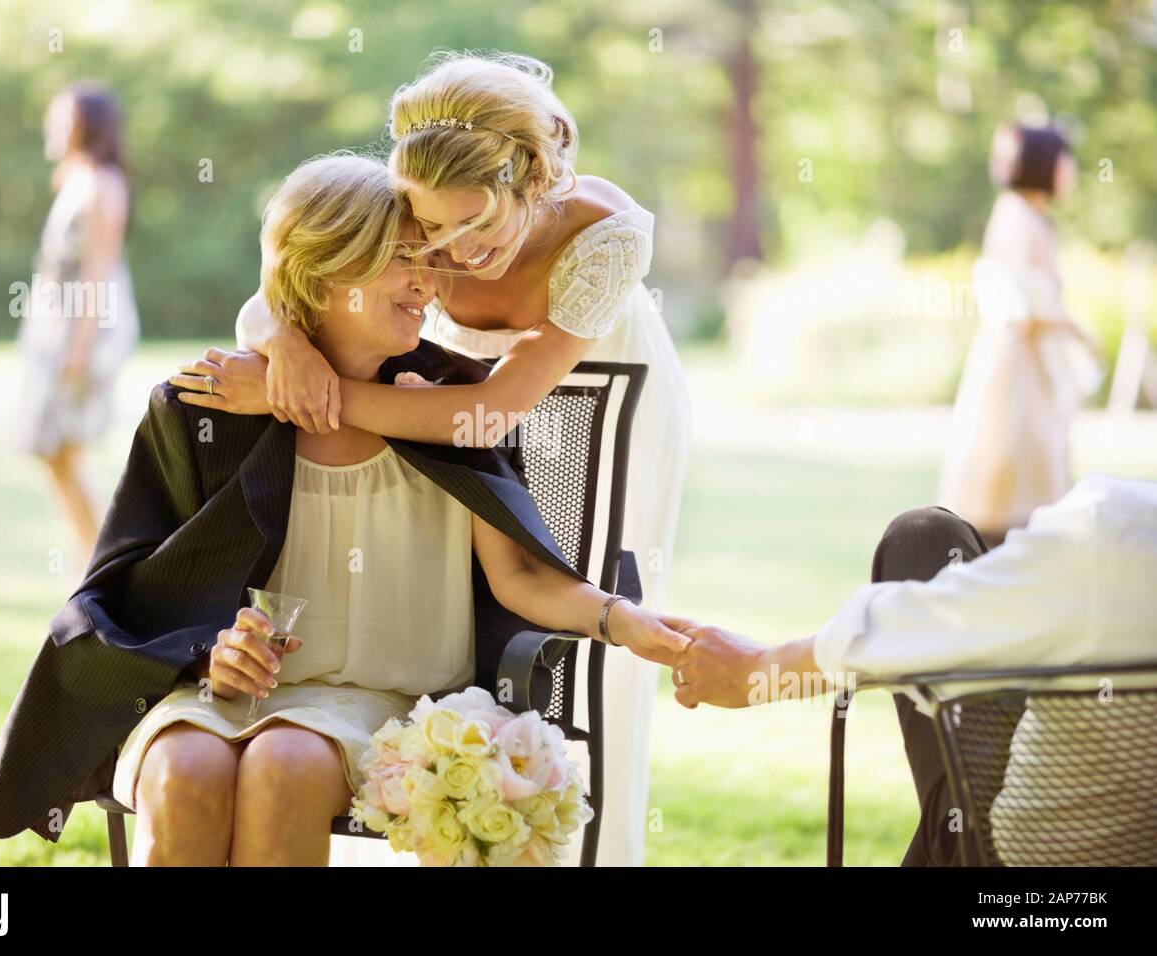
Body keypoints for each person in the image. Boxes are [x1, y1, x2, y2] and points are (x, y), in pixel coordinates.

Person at [0, 155, 689, 866]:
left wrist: (618, 618)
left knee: (286, 761)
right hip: (219, 698)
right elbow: (125, 589)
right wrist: (208, 655)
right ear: (323, 276)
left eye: (429, 259)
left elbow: (521, 576)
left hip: (388, 698)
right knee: (185, 768)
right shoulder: (211, 408)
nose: (429, 283)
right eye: (402, 260)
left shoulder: (446, 407)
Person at [178, 51, 692, 866]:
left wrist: (315, 400)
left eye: (477, 225)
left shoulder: (605, 236)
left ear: (531, 183)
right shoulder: (412, 232)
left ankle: (567, 831)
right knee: (454, 561)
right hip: (436, 385)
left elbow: (490, 413)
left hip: (567, 397)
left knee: (572, 620)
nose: (453, 250)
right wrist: (285, 350)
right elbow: (288, 280)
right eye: (432, 229)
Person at [668, 473, 1157, 865]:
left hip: (1018, 871)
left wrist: (758, 670)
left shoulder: (1117, 526)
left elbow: (912, 627)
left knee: (920, 537)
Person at [939, 123, 1102, 546]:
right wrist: (1075, 329)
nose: (1072, 173)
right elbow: (1016, 304)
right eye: (1066, 163)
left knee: (1031, 469)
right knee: (1012, 464)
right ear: (1044, 165)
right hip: (1016, 366)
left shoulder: (1028, 216)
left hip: (1028, 362)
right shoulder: (1019, 218)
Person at [15, 84, 138, 567]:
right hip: (57, 328)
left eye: (61, 119)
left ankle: (101, 561)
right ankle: (90, 558)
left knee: (62, 444)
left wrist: (79, 348)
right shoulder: (76, 180)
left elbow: (97, 271)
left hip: (86, 330)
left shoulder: (103, 183)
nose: (51, 127)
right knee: (52, 447)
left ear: (88, 126)